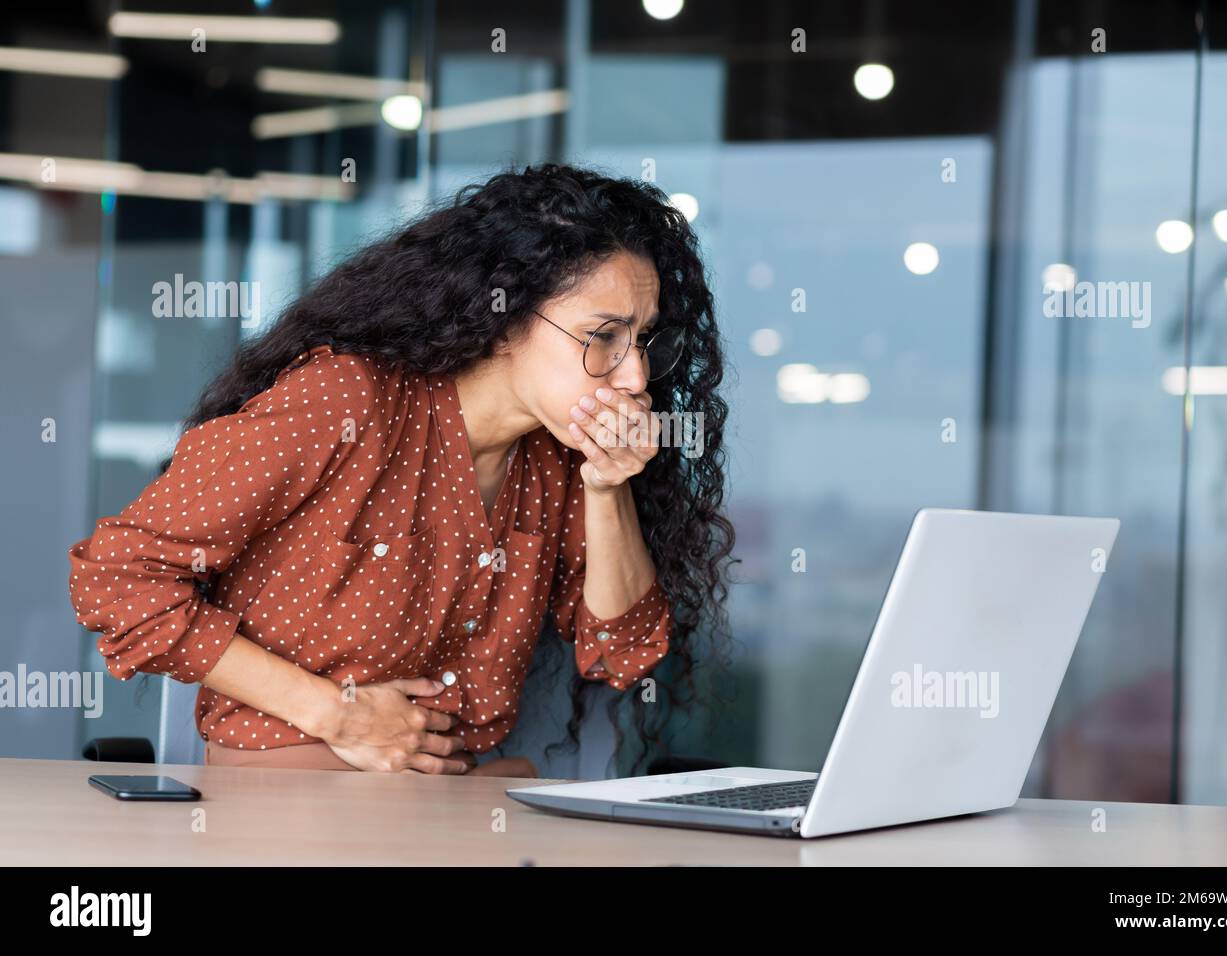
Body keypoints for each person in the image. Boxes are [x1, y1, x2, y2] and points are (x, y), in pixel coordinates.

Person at [68, 162, 736, 776]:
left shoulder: (561, 461)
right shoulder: (345, 402)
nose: (636, 376)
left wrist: (608, 486)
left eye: (645, 341)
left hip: (458, 805)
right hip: (287, 803)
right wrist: (337, 713)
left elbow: (623, 652)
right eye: (604, 338)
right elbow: (115, 580)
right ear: (503, 318)